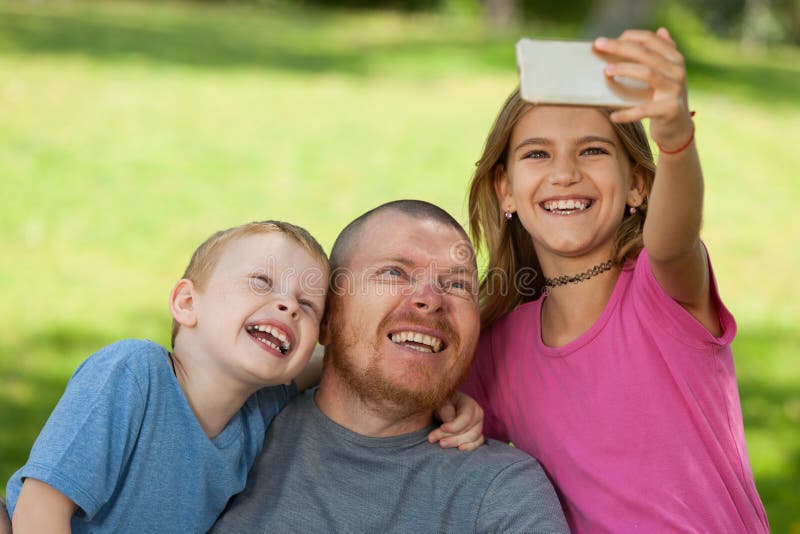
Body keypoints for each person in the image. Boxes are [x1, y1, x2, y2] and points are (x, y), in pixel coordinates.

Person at [463, 28, 769, 532]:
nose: (564, 173)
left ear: (638, 185)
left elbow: (673, 238)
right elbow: (405, 387)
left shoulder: (662, 289)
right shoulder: (496, 348)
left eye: (593, 151)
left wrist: (673, 136)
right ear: (506, 191)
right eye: (537, 154)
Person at [4, 220, 483, 533]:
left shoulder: (260, 410)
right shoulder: (132, 375)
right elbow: (39, 510)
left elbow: (355, 365)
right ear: (187, 303)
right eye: (261, 282)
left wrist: (432, 390)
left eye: (308, 305)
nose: (287, 305)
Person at [211, 200, 569, 533]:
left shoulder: (501, 493)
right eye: (395, 272)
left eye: (458, 284)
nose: (430, 299)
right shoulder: (234, 425)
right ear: (326, 315)